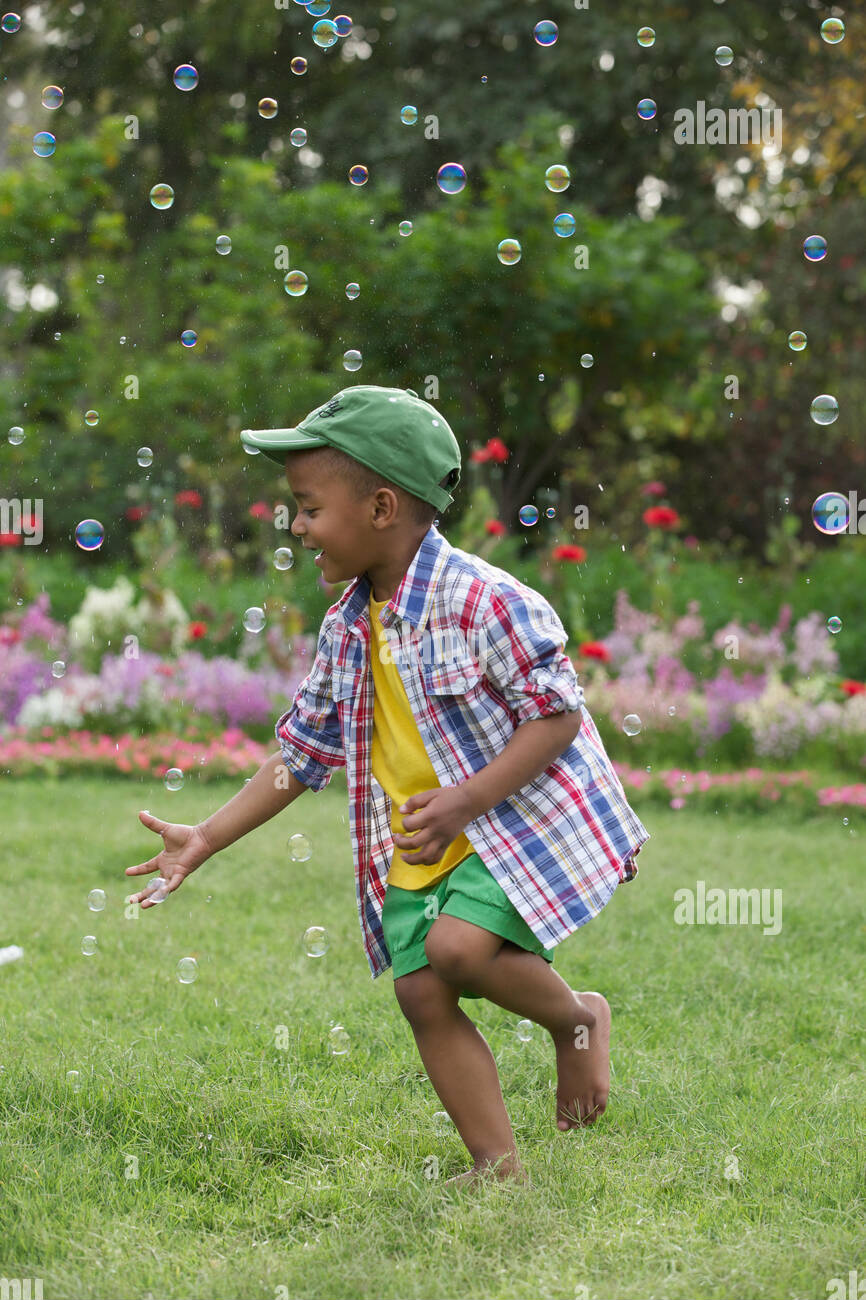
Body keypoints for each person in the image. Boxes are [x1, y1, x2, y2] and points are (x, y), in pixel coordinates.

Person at [125, 384, 649, 1190]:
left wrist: (468, 799)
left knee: (457, 948)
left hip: (508, 824)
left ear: (379, 507)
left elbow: (557, 718)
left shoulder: (486, 599)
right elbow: (301, 755)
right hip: (415, 841)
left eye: (307, 507)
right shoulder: (347, 627)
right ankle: (496, 1168)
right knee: (422, 993)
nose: (295, 526)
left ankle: (578, 1019)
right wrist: (206, 837)